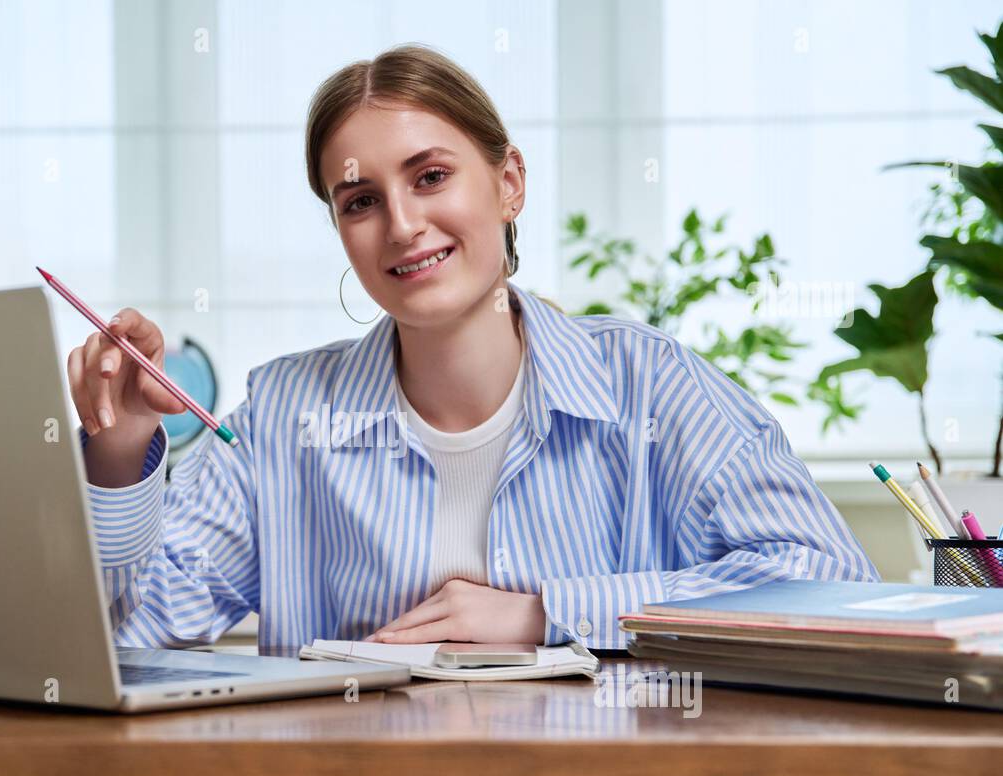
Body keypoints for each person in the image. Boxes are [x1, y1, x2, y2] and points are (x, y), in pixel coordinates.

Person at [67, 44, 879, 657]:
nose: (402, 224)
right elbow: (131, 635)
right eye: (360, 201)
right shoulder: (285, 414)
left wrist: (543, 614)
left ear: (509, 182)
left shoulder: (648, 383)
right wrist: (120, 441)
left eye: (429, 177)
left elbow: (830, 585)